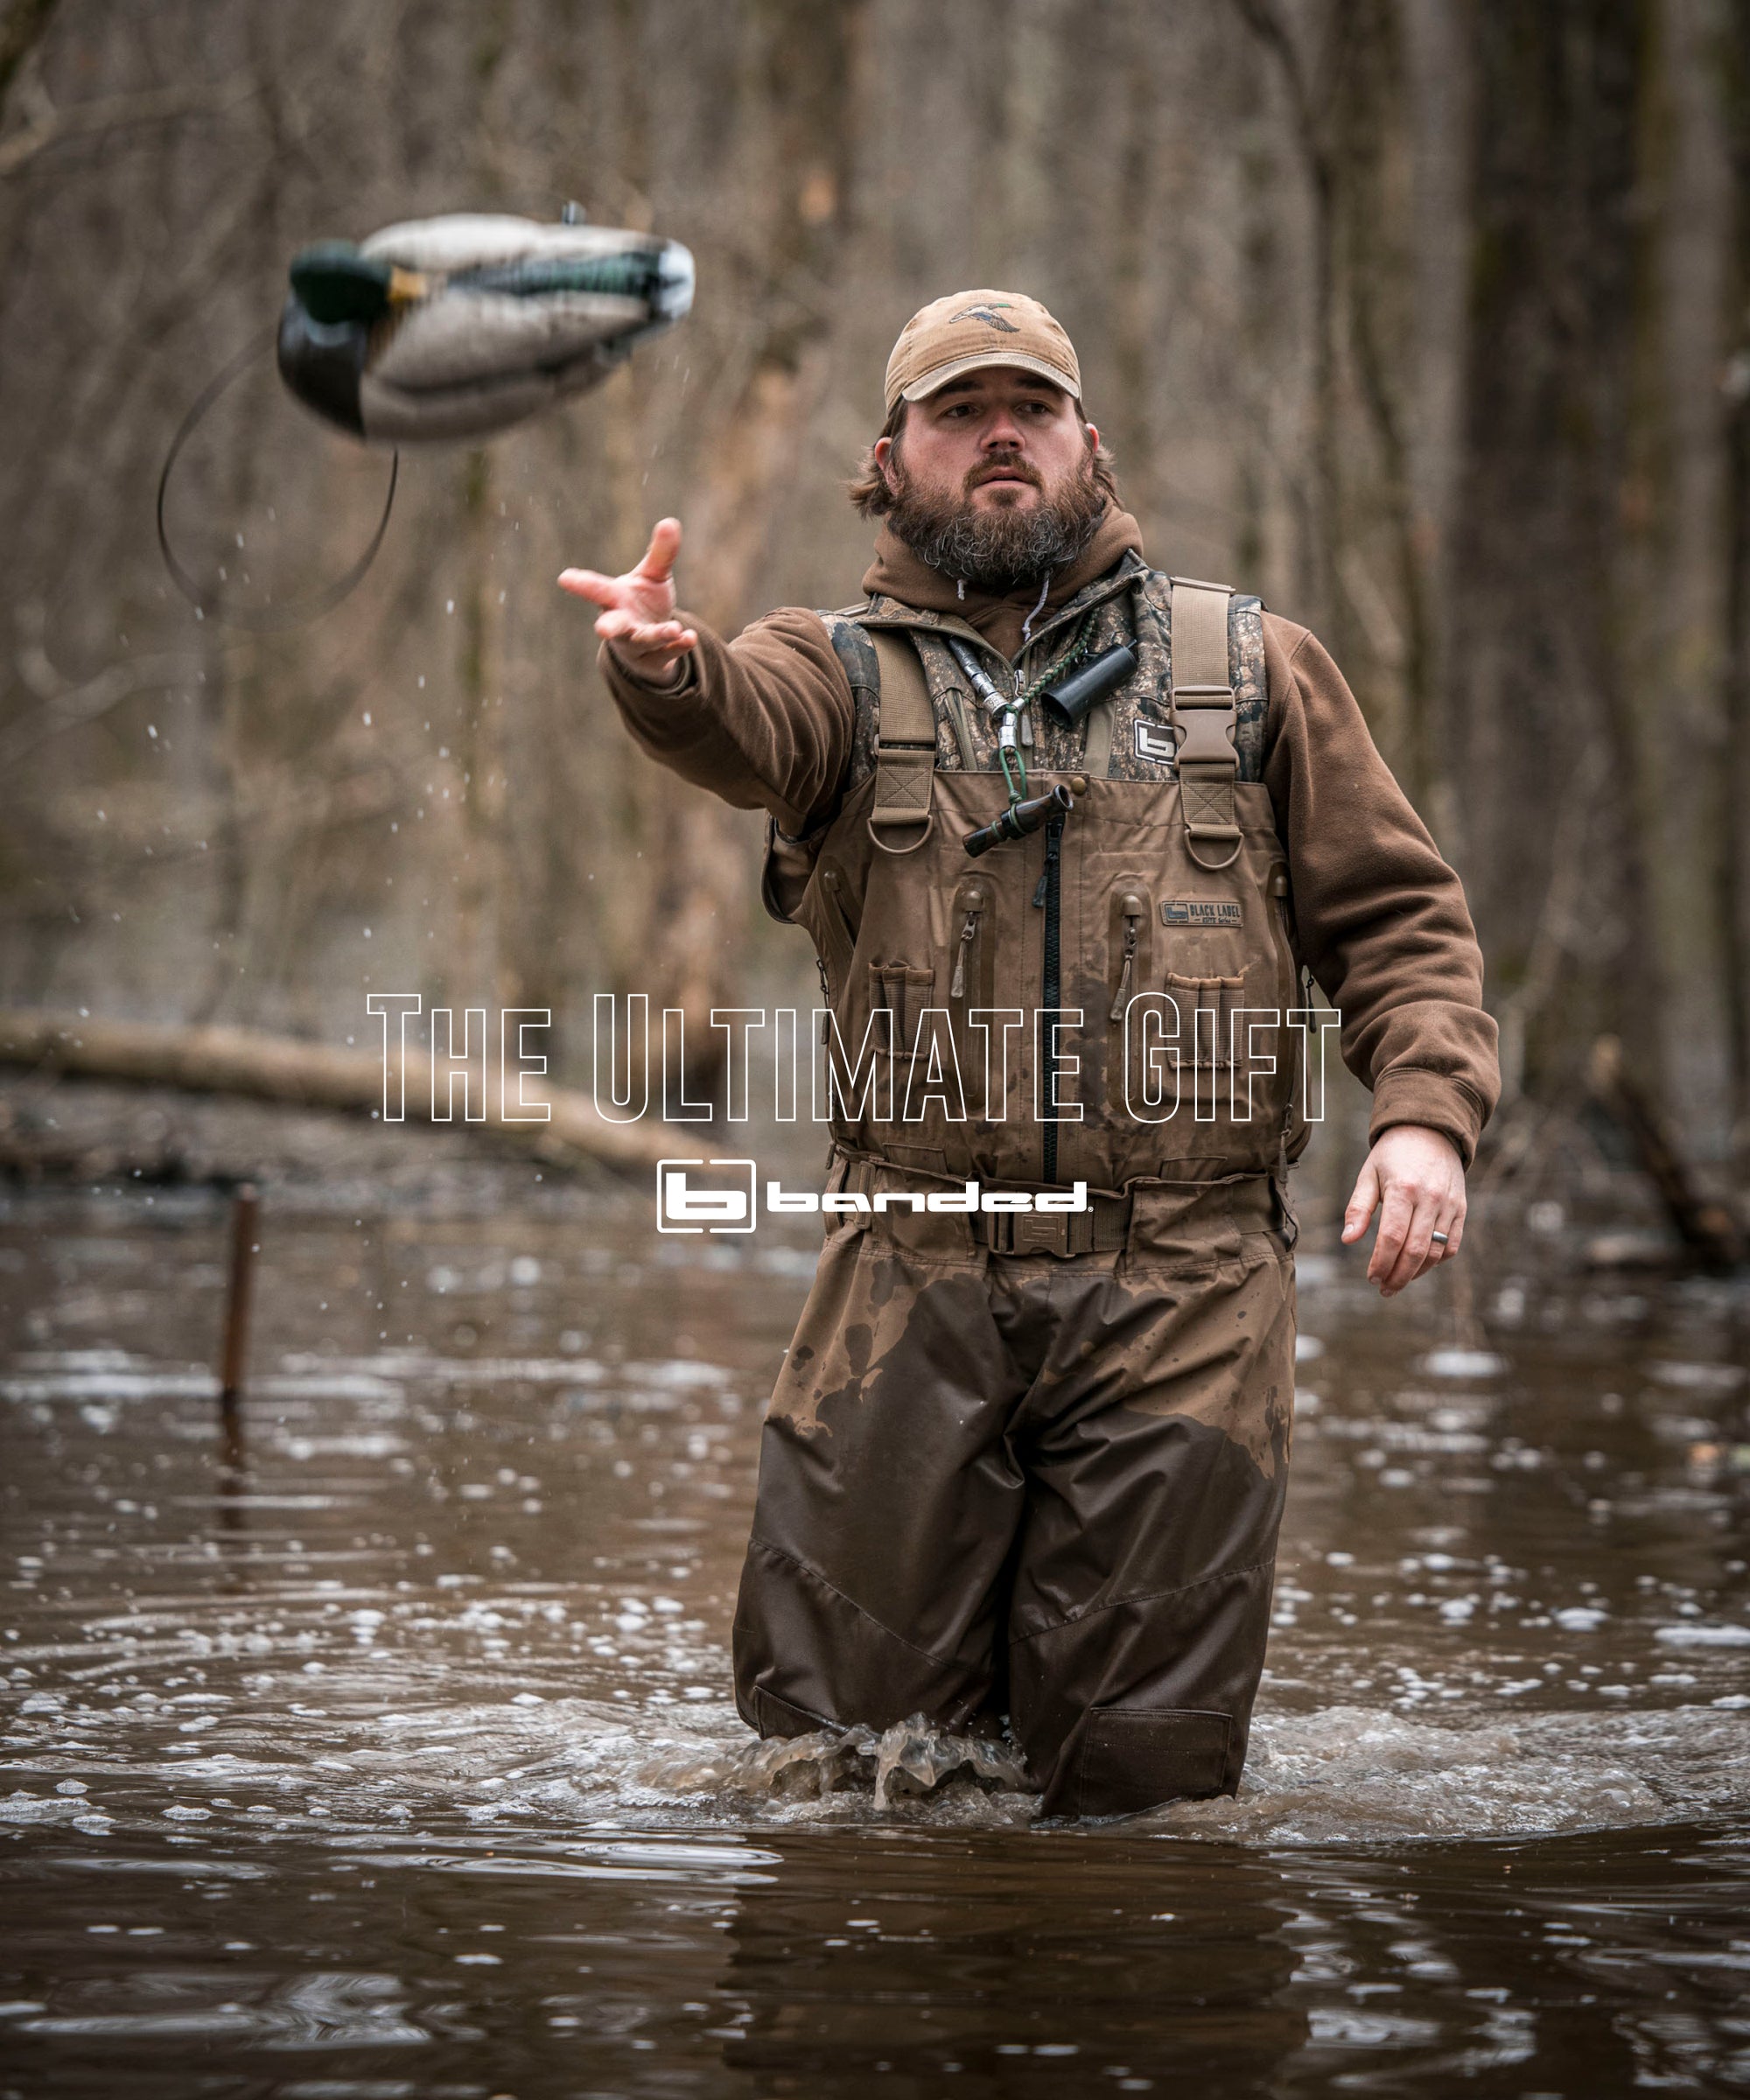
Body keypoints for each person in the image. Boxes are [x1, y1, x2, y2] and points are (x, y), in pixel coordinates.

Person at [560, 290, 1500, 1818]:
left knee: (1145, 1795)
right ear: (889, 458)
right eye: (958, 410)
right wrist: (666, 669)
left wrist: (1427, 1119)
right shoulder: (833, 668)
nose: (1000, 434)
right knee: (842, 1777)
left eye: (1031, 407)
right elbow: (740, 723)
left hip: (1185, 1286)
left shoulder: (1252, 665)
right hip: (906, 1275)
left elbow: (1401, 922)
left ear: (1088, 445)